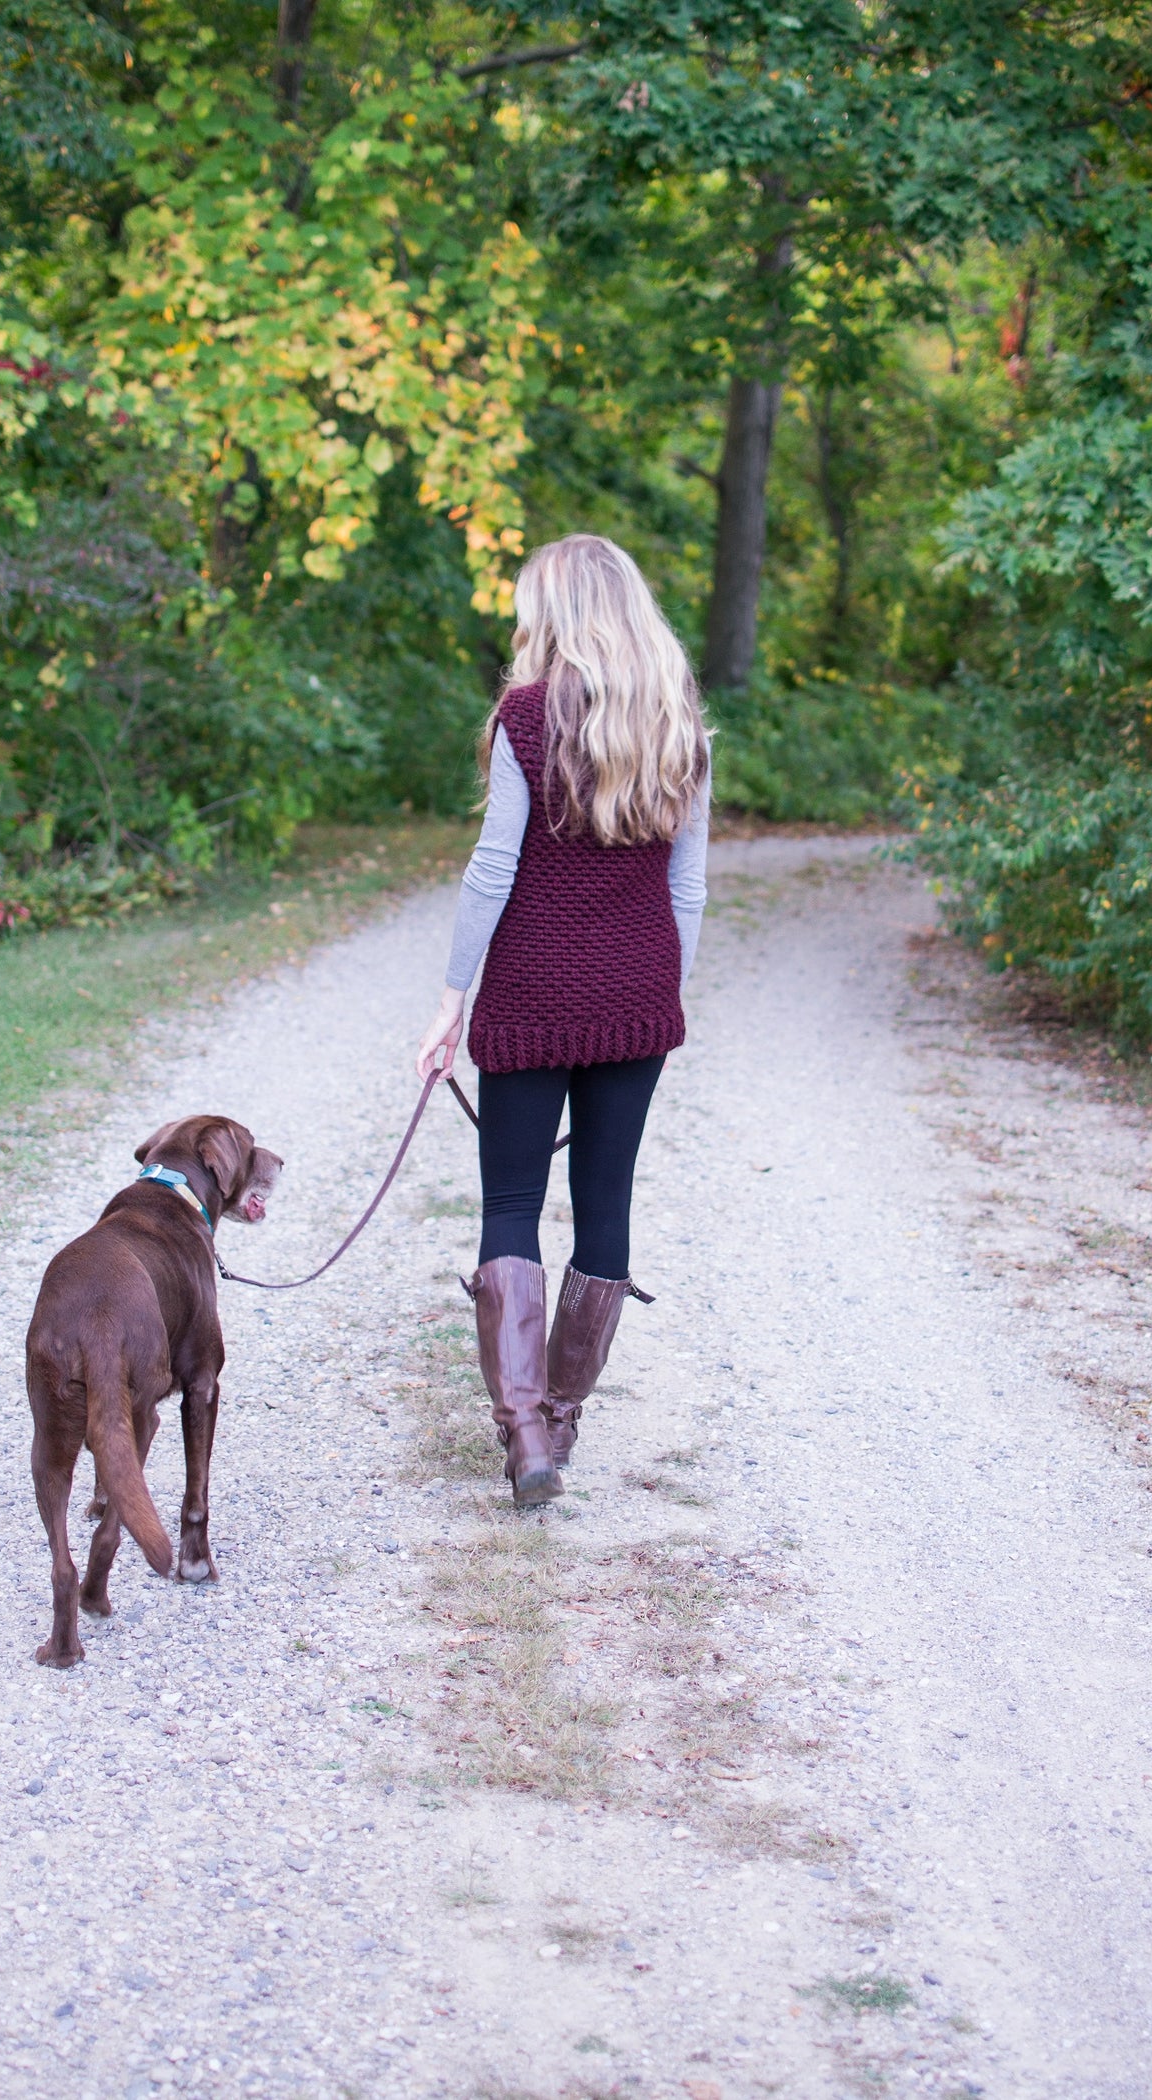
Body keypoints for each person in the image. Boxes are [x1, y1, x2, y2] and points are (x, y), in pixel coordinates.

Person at [416, 533, 711, 1508]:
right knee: (604, 1207)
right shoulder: (677, 721)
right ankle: (564, 1419)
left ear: (555, 612)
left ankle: (526, 1432)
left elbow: (492, 867)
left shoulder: (525, 716)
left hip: (531, 996)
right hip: (634, 1001)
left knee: (508, 1202)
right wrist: (661, 995)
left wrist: (451, 1000)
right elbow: (688, 889)